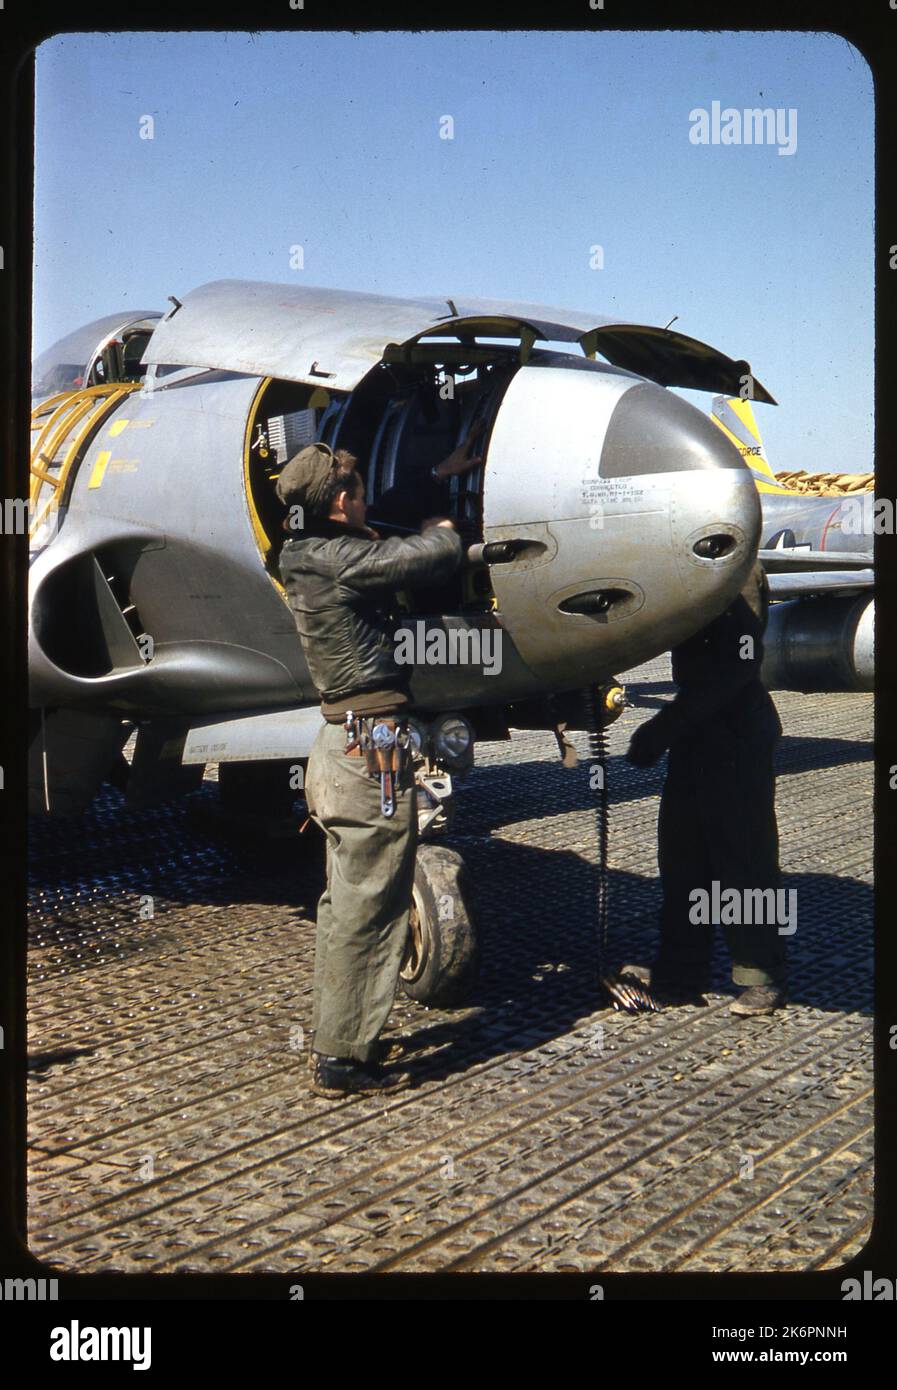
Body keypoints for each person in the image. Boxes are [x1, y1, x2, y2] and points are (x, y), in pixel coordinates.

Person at [277, 441, 467, 1096]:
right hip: (372, 743)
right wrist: (444, 531)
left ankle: (341, 1039)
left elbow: (376, 516)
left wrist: (434, 472)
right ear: (337, 503)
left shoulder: (306, 551)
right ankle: (343, 1057)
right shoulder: (337, 561)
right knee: (371, 900)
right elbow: (420, 555)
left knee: (347, 899)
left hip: (343, 741)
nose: (364, 503)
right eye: (355, 494)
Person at [626, 563, 786, 1015]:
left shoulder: (738, 569)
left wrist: (665, 726)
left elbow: (739, 667)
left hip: (735, 733)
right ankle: (681, 971)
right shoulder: (682, 560)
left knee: (743, 858)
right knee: (683, 858)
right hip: (695, 734)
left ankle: (761, 974)